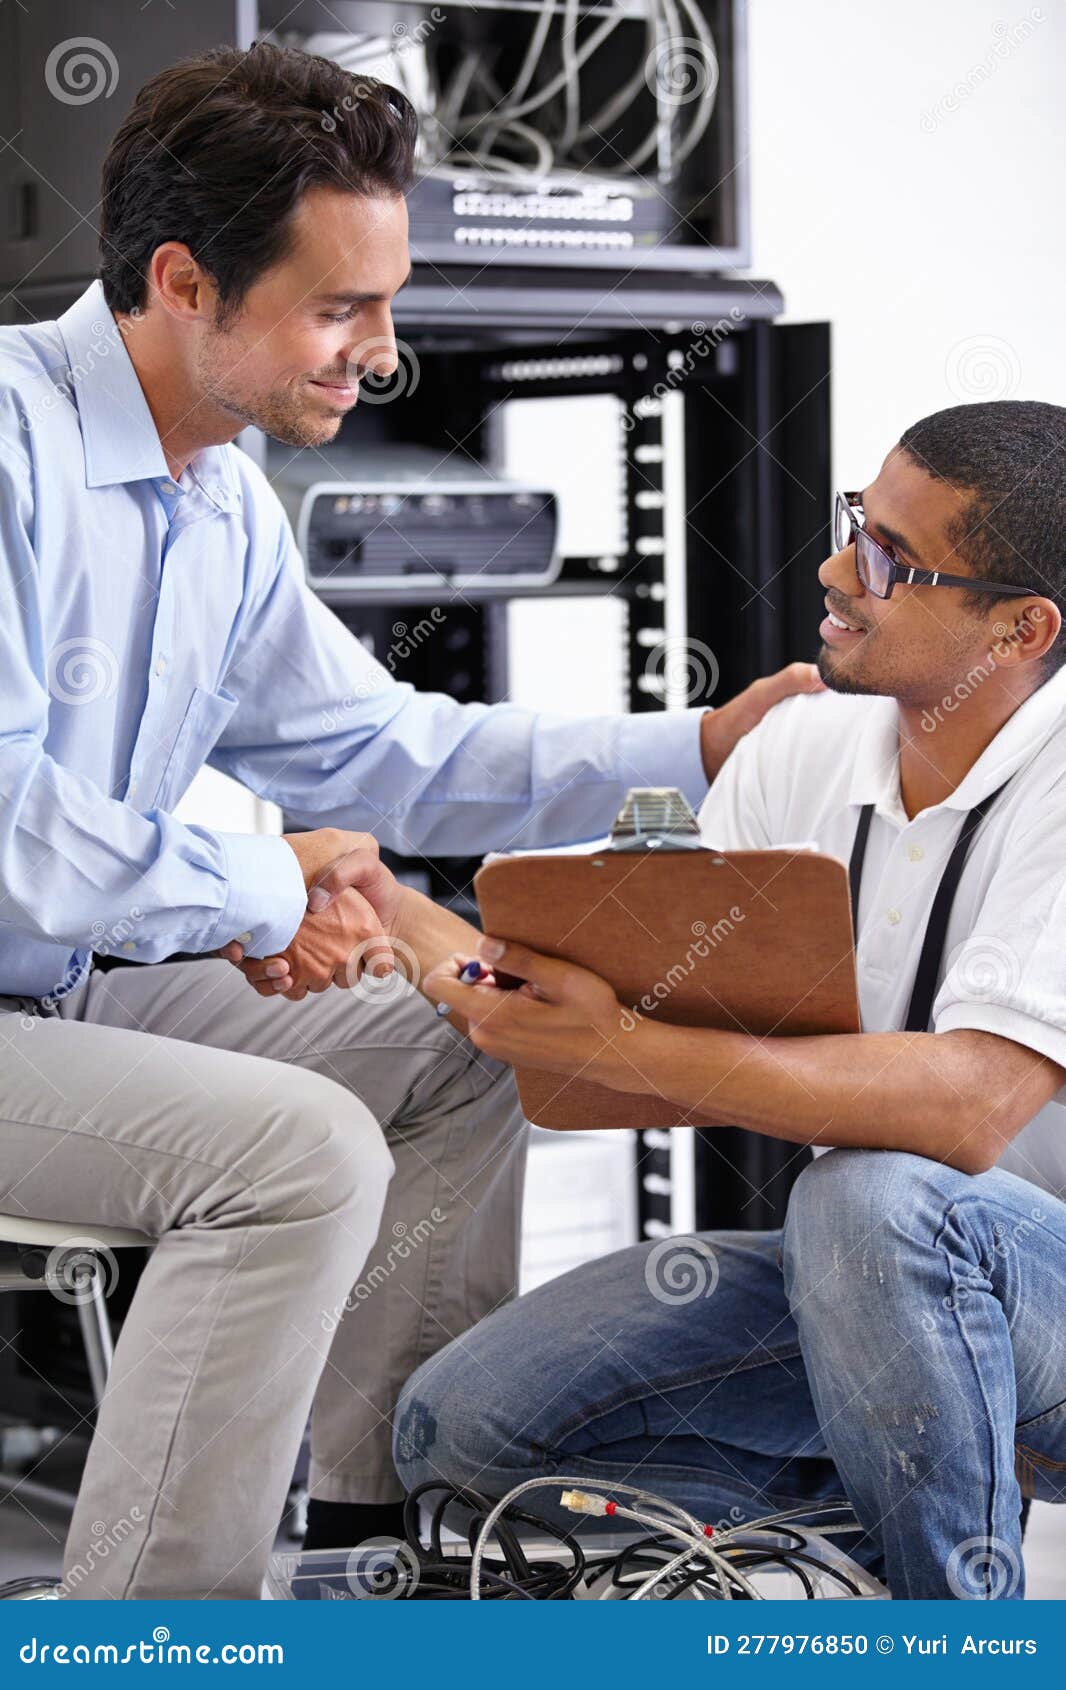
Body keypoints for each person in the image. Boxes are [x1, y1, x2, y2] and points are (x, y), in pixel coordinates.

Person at [0, 42, 811, 1599]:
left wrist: (705, 744)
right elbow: (14, 833)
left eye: (387, 304)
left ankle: (381, 1553)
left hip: (64, 991)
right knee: (298, 1152)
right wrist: (262, 885)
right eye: (340, 309)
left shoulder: (217, 496)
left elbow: (387, 751)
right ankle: (152, 1634)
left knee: (464, 1033)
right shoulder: (9, 446)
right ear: (183, 281)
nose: (381, 356)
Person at [400, 400, 1066, 1601]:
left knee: (866, 1195)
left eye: (889, 560)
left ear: (1021, 628)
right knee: (464, 1428)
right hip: (885, 1287)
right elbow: (627, 1028)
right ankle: (882, 1520)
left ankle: (960, 1636)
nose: (833, 573)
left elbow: (968, 1108)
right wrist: (408, 928)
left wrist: (623, 1041)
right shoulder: (798, 748)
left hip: (993, 1274)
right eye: (854, 524)